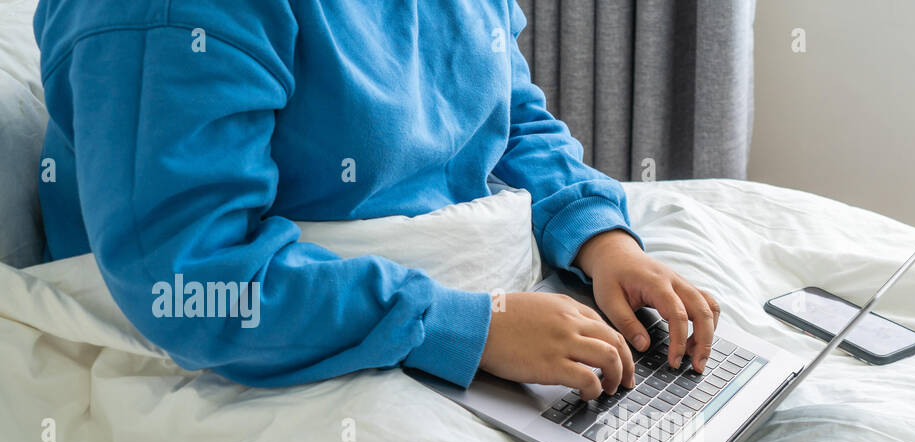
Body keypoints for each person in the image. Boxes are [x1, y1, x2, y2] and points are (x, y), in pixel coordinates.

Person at [34, 0, 718, 399]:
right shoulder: (164, 19)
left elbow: (508, 115)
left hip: (473, 300)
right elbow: (189, 281)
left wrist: (601, 238)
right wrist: (464, 327)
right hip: (270, 338)